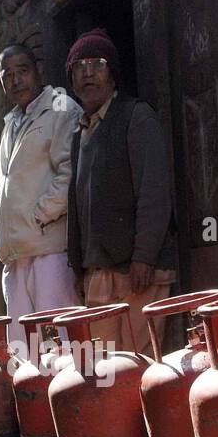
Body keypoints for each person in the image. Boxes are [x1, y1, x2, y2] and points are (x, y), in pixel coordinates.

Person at [66, 29, 176, 354]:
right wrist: (77, 265)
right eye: (79, 66)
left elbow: (154, 191)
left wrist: (144, 255)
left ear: (112, 73)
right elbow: (76, 204)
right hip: (98, 273)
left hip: (137, 272)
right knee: (106, 372)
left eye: (97, 64)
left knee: (139, 365)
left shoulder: (135, 116)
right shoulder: (81, 132)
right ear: (71, 79)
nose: (88, 72)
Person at [0, 44, 82, 344]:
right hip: (16, 250)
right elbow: (3, 185)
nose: (16, 80)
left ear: (37, 70)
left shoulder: (60, 107)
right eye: (8, 75)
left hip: (49, 248)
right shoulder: (11, 122)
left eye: (23, 71)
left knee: (61, 343)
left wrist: (40, 216)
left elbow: (69, 171)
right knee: (23, 348)